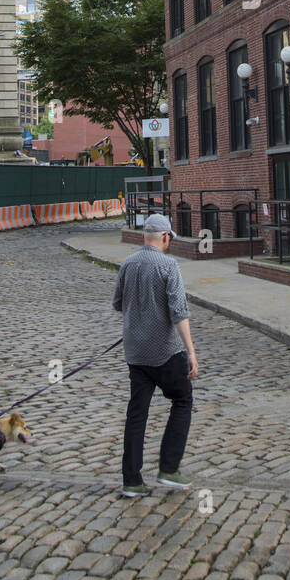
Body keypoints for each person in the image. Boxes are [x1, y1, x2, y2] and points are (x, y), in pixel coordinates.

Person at [112, 213, 198, 497]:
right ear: (164, 237)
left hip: (135, 352)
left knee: (137, 413)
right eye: (170, 237)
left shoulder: (127, 264)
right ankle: (169, 468)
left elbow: (118, 303)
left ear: (143, 237)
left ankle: (131, 480)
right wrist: (191, 351)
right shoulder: (169, 265)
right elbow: (179, 313)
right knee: (182, 399)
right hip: (164, 351)